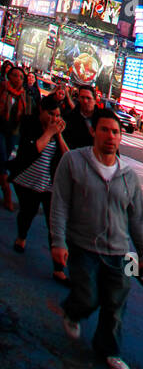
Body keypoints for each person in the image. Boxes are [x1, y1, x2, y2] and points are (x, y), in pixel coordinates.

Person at [50, 109, 143, 369]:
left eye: (116, 132)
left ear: (121, 138)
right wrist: (58, 242)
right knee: (87, 297)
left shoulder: (128, 174)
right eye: (105, 130)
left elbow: (138, 219)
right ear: (93, 131)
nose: (111, 136)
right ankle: (73, 311)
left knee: (116, 305)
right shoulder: (73, 161)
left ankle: (109, 350)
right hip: (82, 247)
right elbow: (59, 204)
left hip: (120, 253)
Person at [10, 94, 69, 281]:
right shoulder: (30, 123)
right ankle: (21, 236)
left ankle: (58, 267)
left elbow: (68, 158)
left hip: (50, 184)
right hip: (27, 180)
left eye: (58, 114)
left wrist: (58, 135)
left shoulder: (59, 130)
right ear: (42, 111)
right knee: (27, 212)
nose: (54, 118)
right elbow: (31, 150)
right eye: (51, 113)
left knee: (54, 223)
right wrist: (49, 133)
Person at [0, 65, 29, 210]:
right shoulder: (2, 89)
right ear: (9, 76)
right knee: (3, 159)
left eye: (21, 77)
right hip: (0, 129)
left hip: (13, 133)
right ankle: (7, 194)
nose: (18, 79)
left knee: (5, 161)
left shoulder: (24, 96)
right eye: (15, 75)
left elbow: (29, 115)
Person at [63, 83, 98, 150]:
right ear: (78, 98)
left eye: (88, 98)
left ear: (94, 100)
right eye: (82, 97)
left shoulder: (102, 119)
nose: (85, 101)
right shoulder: (69, 118)